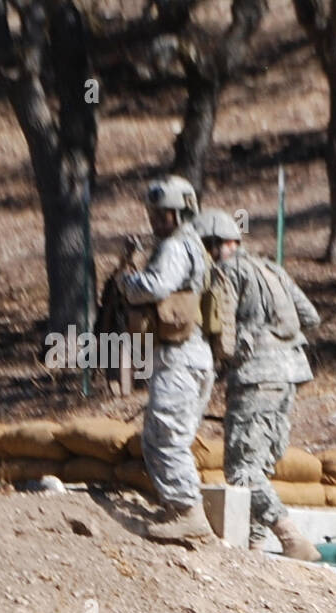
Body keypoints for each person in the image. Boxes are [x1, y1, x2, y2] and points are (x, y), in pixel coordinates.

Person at [193, 208, 321, 560]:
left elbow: (225, 332)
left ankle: (292, 536)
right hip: (289, 376)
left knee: (240, 469)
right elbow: (310, 317)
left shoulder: (226, 272)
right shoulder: (272, 269)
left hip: (255, 378)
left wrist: (223, 356)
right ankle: (255, 548)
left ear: (217, 246)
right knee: (259, 465)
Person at [118, 175, 216, 544]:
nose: (158, 222)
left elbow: (155, 287)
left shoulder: (175, 247)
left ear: (183, 213)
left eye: (165, 215)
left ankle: (188, 512)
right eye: (154, 215)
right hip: (191, 356)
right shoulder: (191, 245)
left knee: (164, 437)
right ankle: (180, 510)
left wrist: (128, 283)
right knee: (171, 435)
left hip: (179, 358)